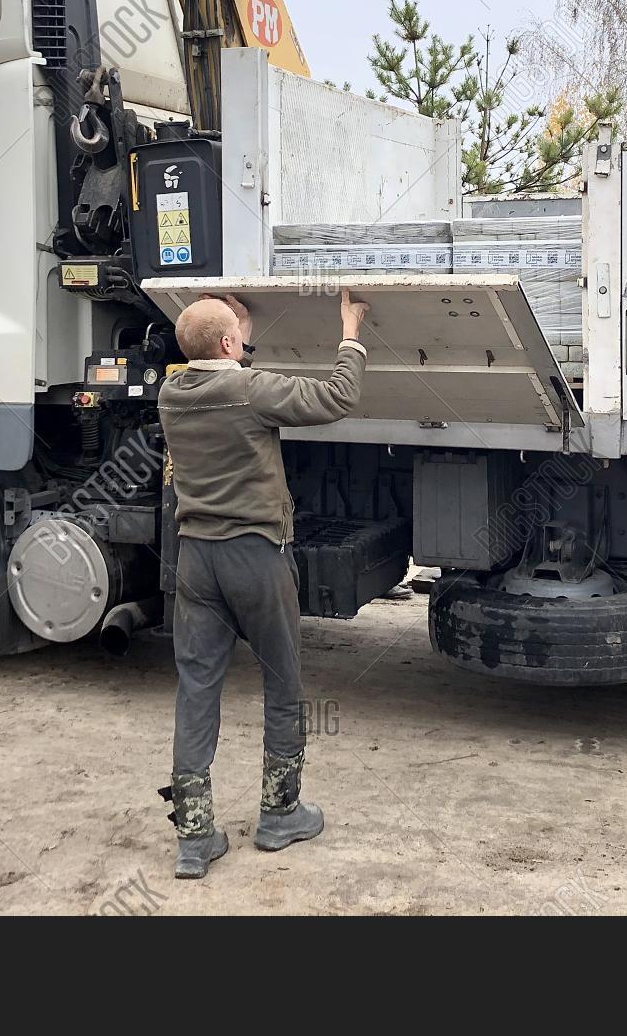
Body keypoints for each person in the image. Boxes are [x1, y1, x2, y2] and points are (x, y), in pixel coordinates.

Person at [157, 289, 368, 879]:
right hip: (255, 556)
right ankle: (280, 814)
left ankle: (194, 838)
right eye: (236, 339)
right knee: (282, 682)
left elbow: (216, 366)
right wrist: (350, 330)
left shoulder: (171, 395)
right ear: (231, 345)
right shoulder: (251, 390)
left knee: (197, 686)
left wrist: (233, 335)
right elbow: (337, 398)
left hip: (196, 559)